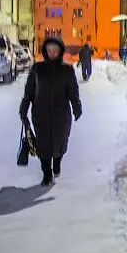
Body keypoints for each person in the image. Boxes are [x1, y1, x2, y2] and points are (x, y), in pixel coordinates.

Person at [19, 37, 82, 186]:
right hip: (41, 114)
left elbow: (73, 92)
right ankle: (47, 173)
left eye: (55, 50)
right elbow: (29, 91)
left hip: (61, 115)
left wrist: (77, 106)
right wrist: (24, 107)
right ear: (45, 51)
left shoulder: (67, 70)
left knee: (60, 142)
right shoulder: (37, 69)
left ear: (60, 51)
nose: (52, 53)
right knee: (43, 145)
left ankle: (57, 162)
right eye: (49, 50)